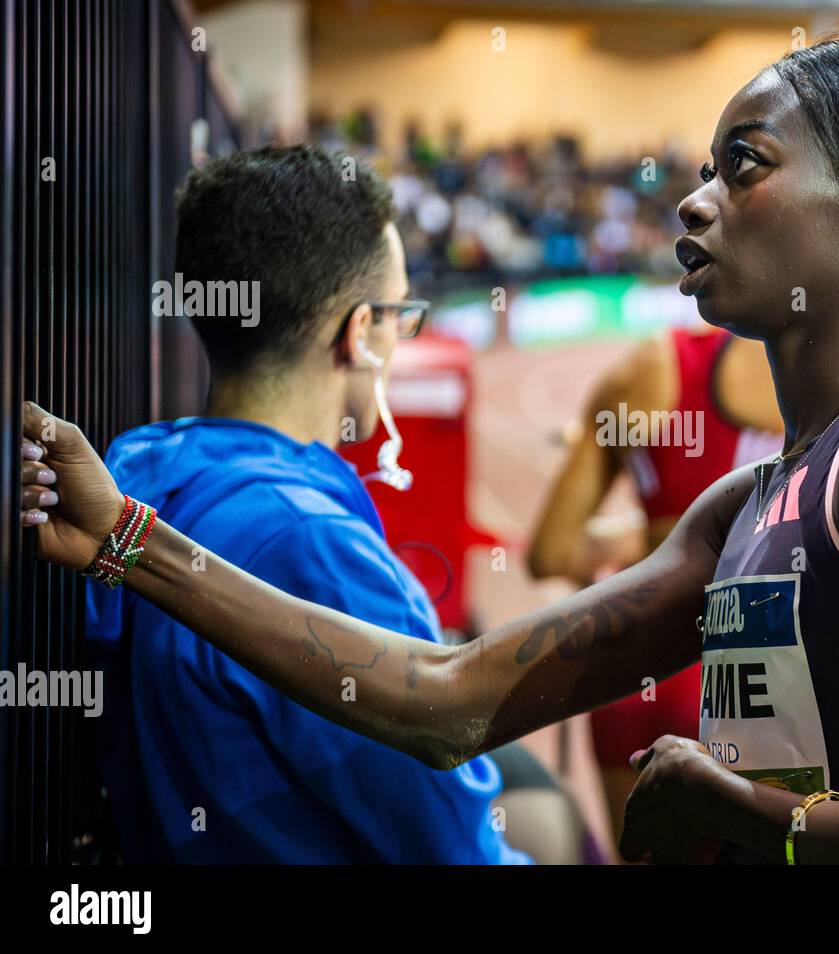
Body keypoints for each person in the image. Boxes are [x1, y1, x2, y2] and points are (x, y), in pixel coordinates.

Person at [23, 34, 839, 863]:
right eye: (705, 166)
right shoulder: (751, 504)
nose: (692, 201)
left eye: (745, 167)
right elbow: (444, 699)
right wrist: (124, 538)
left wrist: (737, 812)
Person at [72, 144, 539, 864]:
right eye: (399, 315)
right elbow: (454, 848)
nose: (400, 334)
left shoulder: (142, 467)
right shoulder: (309, 543)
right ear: (359, 333)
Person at [527, 325, 781, 843]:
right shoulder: (819, 365)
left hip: (626, 668)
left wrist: (641, 537)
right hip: (744, 672)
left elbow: (549, 552)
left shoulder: (649, 364)